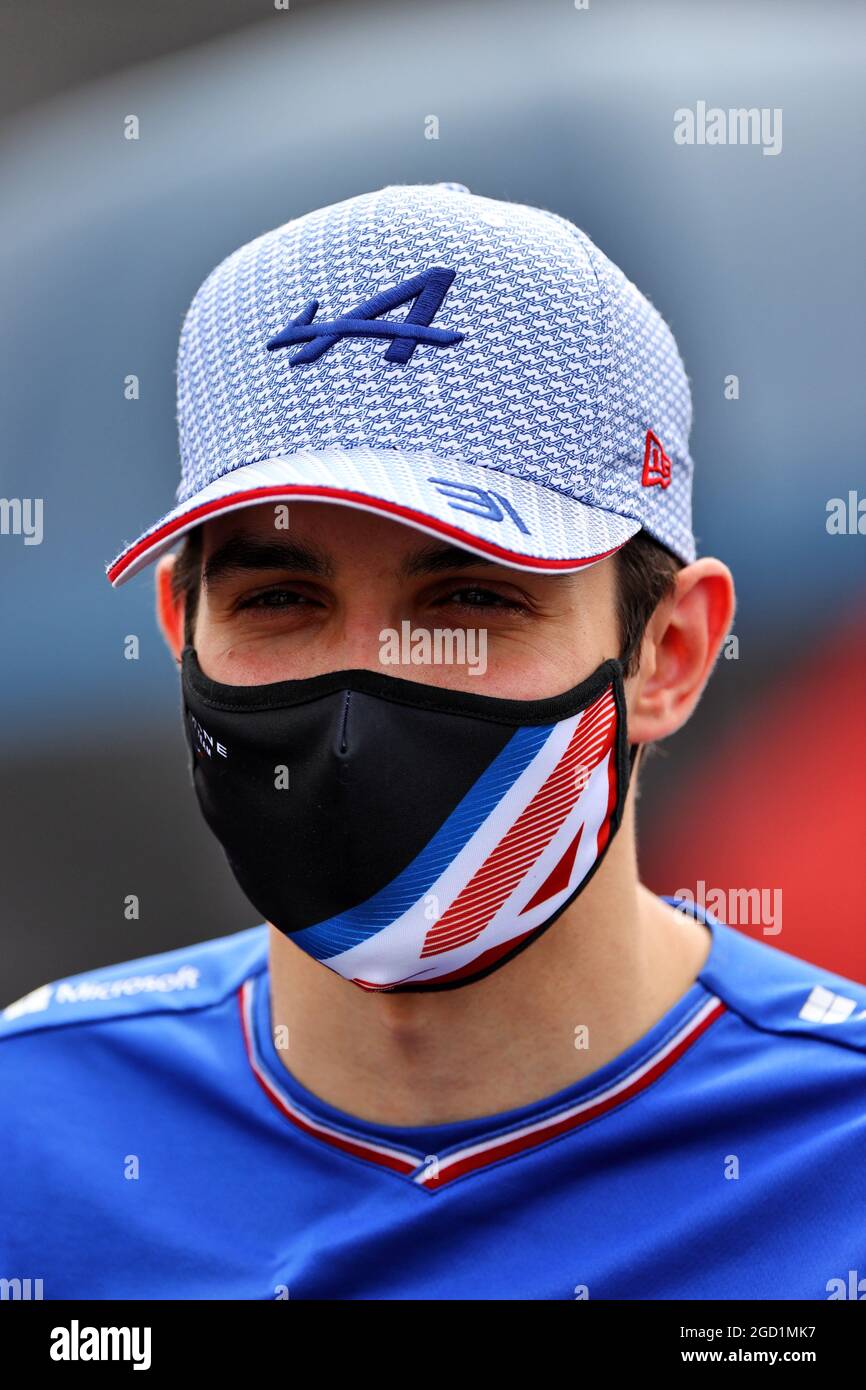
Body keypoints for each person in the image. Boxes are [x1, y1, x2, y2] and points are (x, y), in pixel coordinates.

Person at [2, 184, 863, 1300]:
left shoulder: (834, 1155)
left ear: (670, 653)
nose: (364, 691)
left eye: (467, 599)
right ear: (182, 630)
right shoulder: (32, 1137)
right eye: (279, 600)